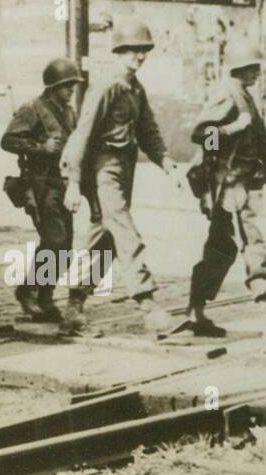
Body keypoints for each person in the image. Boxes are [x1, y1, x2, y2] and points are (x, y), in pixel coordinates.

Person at [61, 18, 187, 339]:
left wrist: (167, 163)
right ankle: (148, 305)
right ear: (119, 51)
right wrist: (74, 181)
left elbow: (148, 131)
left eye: (143, 50)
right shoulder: (107, 85)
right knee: (125, 231)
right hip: (103, 168)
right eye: (132, 50)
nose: (139, 56)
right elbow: (83, 132)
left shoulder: (135, 89)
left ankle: (74, 307)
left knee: (102, 239)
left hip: (124, 166)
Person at [179, 40, 266, 338]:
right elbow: (201, 136)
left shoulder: (243, 95)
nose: (258, 73)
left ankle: (196, 311)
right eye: (253, 68)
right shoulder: (228, 95)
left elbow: (258, 139)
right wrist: (234, 128)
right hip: (226, 184)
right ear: (241, 68)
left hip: (237, 181)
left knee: (222, 248)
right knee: (250, 239)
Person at [0, 57, 83, 325]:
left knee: (64, 247)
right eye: (66, 85)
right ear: (53, 86)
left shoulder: (69, 112)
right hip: (40, 184)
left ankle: (43, 296)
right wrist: (41, 148)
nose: (71, 90)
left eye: (73, 85)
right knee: (55, 241)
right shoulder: (33, 109)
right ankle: (29, 292)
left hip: (63, 184)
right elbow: (9, 140)